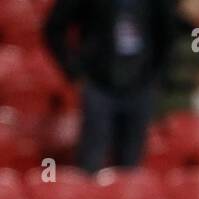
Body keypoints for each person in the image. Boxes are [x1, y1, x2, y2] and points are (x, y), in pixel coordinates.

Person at [43, 0, 174, 171]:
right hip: (99, 84)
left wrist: (156, 75)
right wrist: (74, 71)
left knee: (130, 165)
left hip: (141, 86)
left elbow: (168, 34)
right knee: (92, 160)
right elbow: (54, 27)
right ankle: (87, 197)